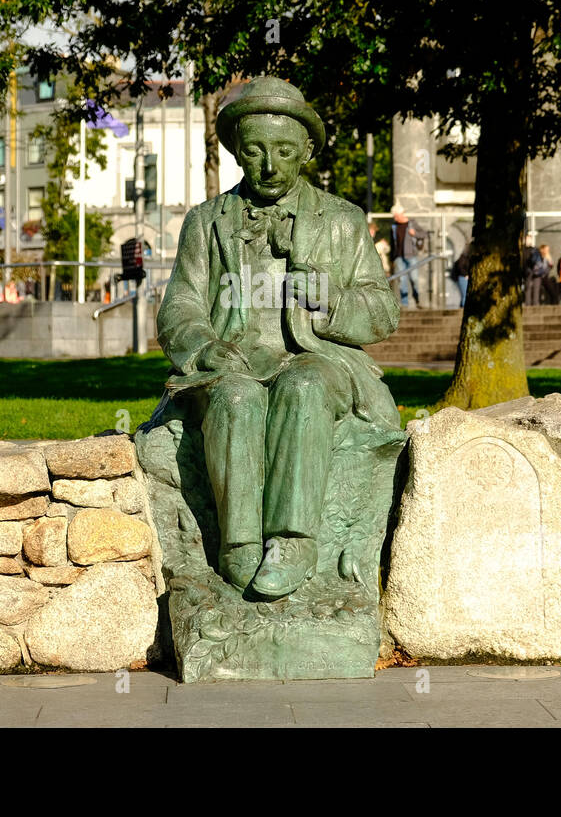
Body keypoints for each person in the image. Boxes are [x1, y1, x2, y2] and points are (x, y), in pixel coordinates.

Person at [155, 76, 401, 600]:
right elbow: (180, 303)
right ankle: (239, 543)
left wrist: (327, 300)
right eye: (255, 152)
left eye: (285, 151)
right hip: (236, 359)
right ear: (237, 152)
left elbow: (382, 312)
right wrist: (202, 346)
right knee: (234, 395)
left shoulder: (342, 220)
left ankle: (293, 539)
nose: (269, 166)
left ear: (307, 151)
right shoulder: (206, 222)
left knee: (304, 388)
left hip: (317, 359)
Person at [389, 205, 426, 308]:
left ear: (401, 214)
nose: (395, 218)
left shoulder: (412, 224)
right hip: (398, 257)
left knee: (414, 279)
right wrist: (392, 259)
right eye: (394, 216)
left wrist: (414, 234)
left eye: (396, 216)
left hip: (411, 256)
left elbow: (424, 234)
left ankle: (417, 299)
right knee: (402, 281)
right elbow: (392, 244)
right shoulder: (393, 226)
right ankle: (404, 304)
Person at [525, 237, 549, 306]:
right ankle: (531, 303)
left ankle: (532, 304)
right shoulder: (533, 250)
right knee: (530, 288)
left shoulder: (534, 250)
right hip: (532, 272)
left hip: (532, 271)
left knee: (532, 289)